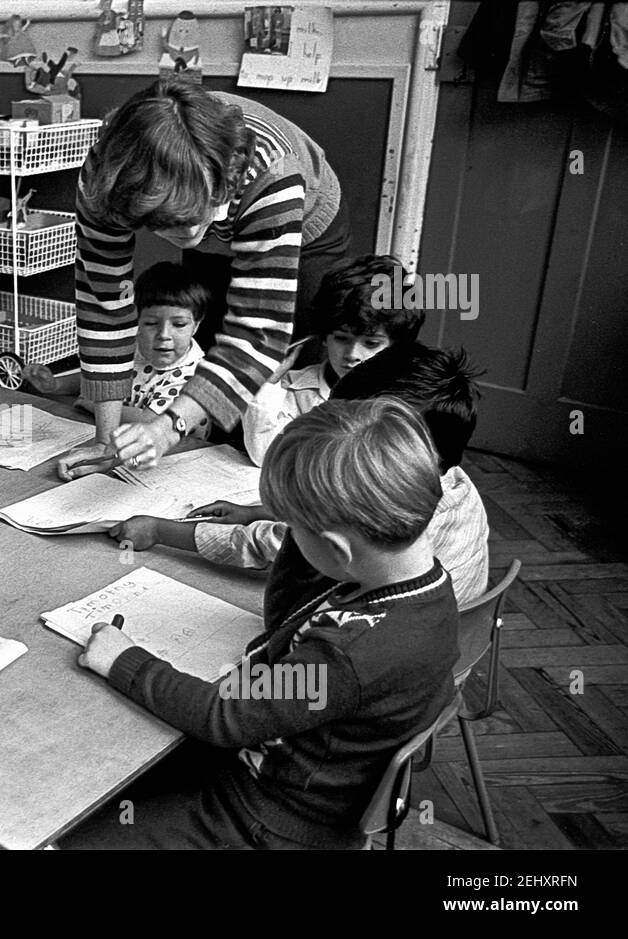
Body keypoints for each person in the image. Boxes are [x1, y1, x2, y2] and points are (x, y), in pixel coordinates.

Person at [68, 398, 459, 849]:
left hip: (265, 816)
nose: (285, 536)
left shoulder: (349, 654)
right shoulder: (423, 584)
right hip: (304, 782)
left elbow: (224, 716)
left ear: (337, 549)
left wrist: (124, 660)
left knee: (73, 831)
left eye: (290, 528)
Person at [59, 76, 349, 481]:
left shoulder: (271, 171)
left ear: (223, 179)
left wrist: (165, 428)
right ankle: (205, 466)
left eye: (198, 213)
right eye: (167, 224)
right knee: (208, 335)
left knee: (277, 366)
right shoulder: (106, 176)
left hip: (307, 223)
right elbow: (103, 302)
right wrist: (107, 439)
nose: (190, 233)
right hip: (217, 210)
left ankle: (282, 481)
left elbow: (258, 334)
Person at [108, 343, 490, 606]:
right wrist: (258, 509)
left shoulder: (395, 512)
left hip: (400, 674)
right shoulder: (446, 481)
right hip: (450, 646)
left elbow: (270, 545)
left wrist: (160, 531)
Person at [241, 255, 422, 465]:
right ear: (324, 337)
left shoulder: (409, 396)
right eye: (341, 338)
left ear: (394, 346)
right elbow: (265, 456)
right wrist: (269, 384)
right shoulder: (292, 388)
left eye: (371, 343)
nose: (352, 354)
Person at [27, 261, 209, 427]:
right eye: (151, 324)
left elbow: (150, 420)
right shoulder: (131, 348)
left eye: (178, 325)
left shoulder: (195, 374)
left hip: (180, 451)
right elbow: (98, 378)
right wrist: (55, 385)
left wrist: (93, 404)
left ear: (196, 326)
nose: (164, 335)